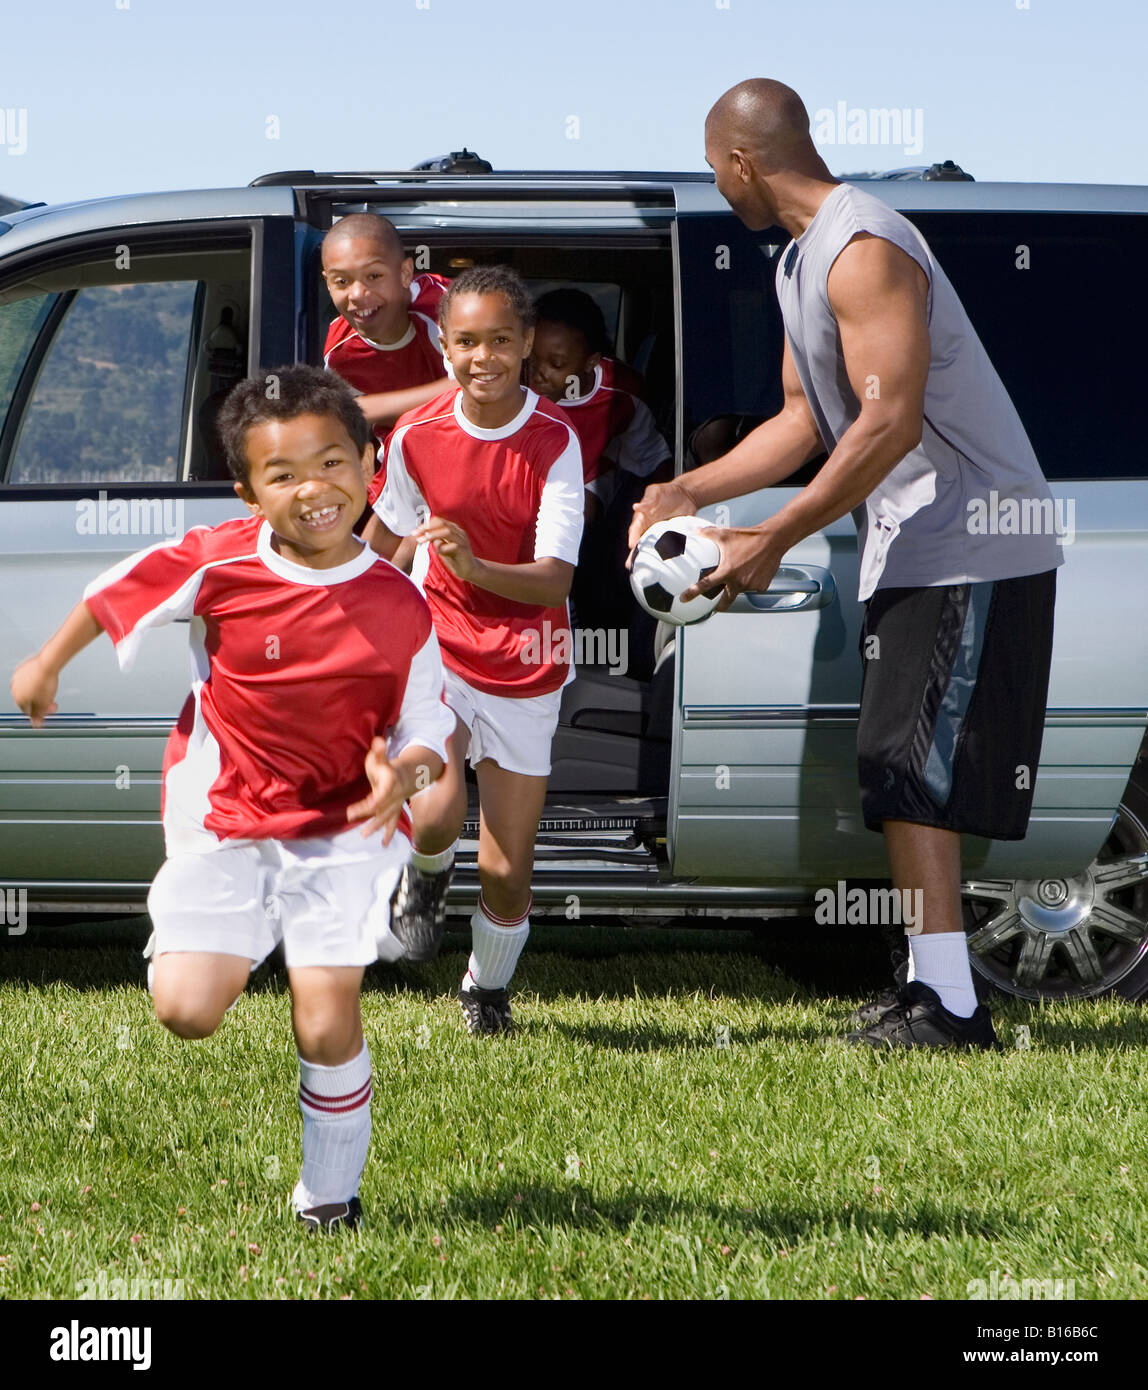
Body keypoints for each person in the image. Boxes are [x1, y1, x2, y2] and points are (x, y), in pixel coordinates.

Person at [630, 79, 1062, 1049]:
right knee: (897, 768)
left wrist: (770, 539)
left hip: (967, 538)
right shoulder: (796, 265)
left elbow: (886, 419)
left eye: (712, 167)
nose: (715, 183)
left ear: (740, 161)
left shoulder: (864, 246)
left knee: (912, 770)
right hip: (913, 542)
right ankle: (930, 989)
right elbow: (800, 421)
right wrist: (689, 492)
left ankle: (948, 1005)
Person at [10, 365, 454, 1228]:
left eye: (332, 463)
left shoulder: (401, 602)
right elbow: (115, 594)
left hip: (344, 826)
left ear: (371, 464)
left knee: (326, 1014)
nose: (313, 490)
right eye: (282, 475)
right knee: (185, 1010)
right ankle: (250, 923)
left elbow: (427, 724)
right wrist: (46, 664)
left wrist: (408, 774)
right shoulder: (218, 562)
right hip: (226, 812)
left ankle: (330, 1199)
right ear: (248, 491)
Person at [362, 266, 584, 1035]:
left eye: (497, 341)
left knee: (506, 867)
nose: (480, 356)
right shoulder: (416, 436)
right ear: (444, 346)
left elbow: (553, 577)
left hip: (527, 663)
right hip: (442, 650)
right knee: (436, 810)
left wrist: (474, 565)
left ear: (526, 345)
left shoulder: (556, 440)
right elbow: (383, 543)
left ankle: (484, 991)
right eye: (464, 341)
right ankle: (423, 882)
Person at [528, 288, 671, 636]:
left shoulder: (622, 391)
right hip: (524, 471)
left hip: (590, 472)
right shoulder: (514, 382)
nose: (538, 375)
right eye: (531, 361)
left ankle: (564, 607)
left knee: (576, 514)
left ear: (591, 362)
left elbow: (651, 460)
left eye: (557, 364)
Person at [321, 213, 452, 443]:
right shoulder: (340, 352)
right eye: (341, 281)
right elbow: (338, 424)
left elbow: (479, 384)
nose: (357, 294)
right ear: (328, 284)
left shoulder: (446, 308)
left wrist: (368, 408)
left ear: (404, 274)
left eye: (374, 276)